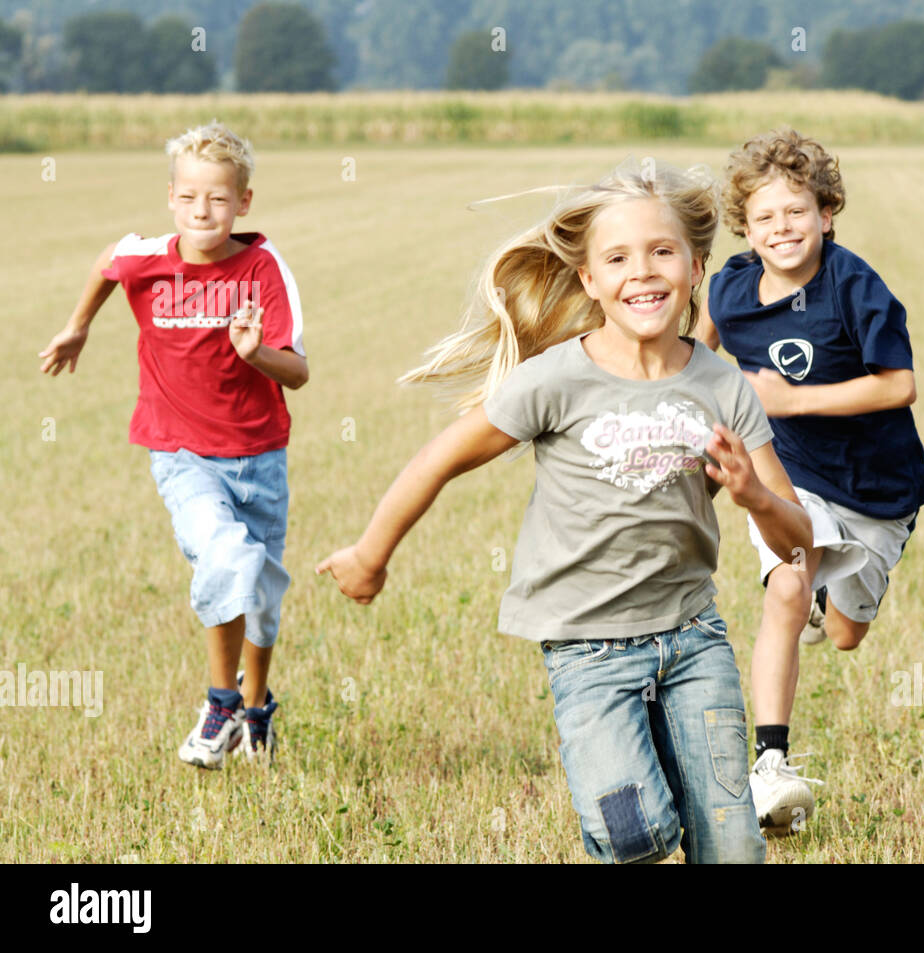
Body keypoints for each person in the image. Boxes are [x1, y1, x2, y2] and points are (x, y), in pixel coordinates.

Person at [316, 161, 812, 864]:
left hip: (693, 639)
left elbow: (797, 539)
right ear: (588, 279)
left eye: (662, 252)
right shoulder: (555, 379)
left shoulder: (722, 385)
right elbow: (440, 458)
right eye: (617, 258)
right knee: (634, 835)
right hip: (589, 648)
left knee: (732, 849)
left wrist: (754, 496)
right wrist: (371, 553)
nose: (642, 272)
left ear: (696, 266)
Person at [39, 121, 308, 768]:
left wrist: (257, 353)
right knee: (226, 558)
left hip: (259, 455)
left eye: (217, 198)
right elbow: (109, 261)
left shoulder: (264, 267)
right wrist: (78, 328)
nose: (202, 211)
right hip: (181, 452)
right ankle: (220, 703)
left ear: (243, 201)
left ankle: (256, 705)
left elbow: (297, 371)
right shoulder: (148, 255)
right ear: (170, 196)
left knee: (263, 594)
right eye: (188, 197)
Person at [695, 130, 924, 832]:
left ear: (826, 213)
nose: (782, 229)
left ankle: (831, 589)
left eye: (796, 212)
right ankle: (770, 765)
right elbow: (692, 356)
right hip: (789, 478)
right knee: (789, 585)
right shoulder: (731, 288)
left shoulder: (854, 286)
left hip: (877, 489)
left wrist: (789, 398)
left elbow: (900, 384)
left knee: (847, 634)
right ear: (747, 227)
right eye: (765, 218)